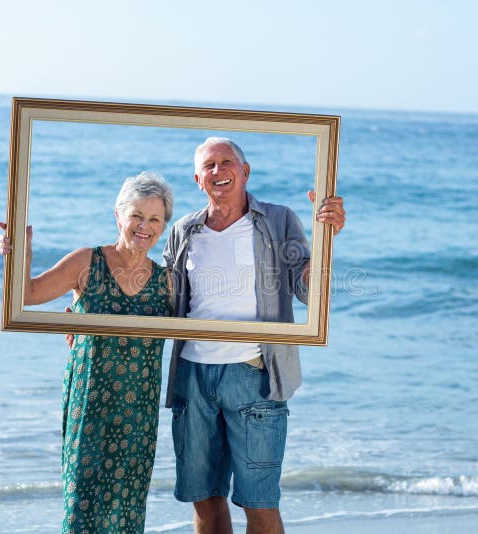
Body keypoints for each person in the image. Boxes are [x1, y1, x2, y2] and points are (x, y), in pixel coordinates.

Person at [164, 137, 345, 534]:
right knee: (205, 500)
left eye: (227, 162)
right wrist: (83, 313)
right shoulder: (183, 230)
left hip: (254, 375)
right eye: (208, 166)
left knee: (259, 504)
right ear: (198, 179)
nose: (218, 171)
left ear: (245, 172)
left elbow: (305, 287)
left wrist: (325, 239)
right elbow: (163, 298)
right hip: (193, 376)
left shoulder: (278, 220)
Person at [0, 171, 174, 533]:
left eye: (155, 219)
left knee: (126, 513)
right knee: (81, 511)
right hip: (89, 404)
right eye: (137, 215)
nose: (145, 226)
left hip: (137, 414)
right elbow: (25, 296)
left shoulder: (166, 282)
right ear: (118, 215)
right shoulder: (86, 263)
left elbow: (201, 330)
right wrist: (20, 255)